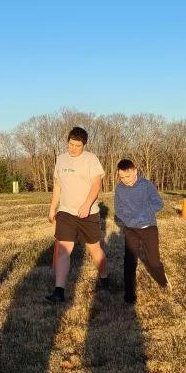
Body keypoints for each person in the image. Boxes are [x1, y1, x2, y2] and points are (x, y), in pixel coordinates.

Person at [46, 126, 108, 303]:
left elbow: (97, 185)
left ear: (84, 145)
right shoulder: (61, 159)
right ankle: (59, 291)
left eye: (77, 145)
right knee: (64, 250)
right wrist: (53, 208)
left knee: (94, 249)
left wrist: (87, 205)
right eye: (71, 144)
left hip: (88, 213)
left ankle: (104, 277)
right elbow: (58, 186)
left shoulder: (91, 159)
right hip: (66, 212)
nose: (73, 148)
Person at [114, 158, 170, 305]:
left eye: (127, 176)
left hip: (148, 228)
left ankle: (163, 281)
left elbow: (159, 203)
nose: (125, 180)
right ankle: (129, 295)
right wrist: (129, 221)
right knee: (130, 262)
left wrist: (143, 215)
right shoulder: (119, 189)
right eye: (121, 177)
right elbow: (118, 210)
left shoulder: (146, 185)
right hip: (131, 229)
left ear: (135, 171)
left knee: (153, 261)